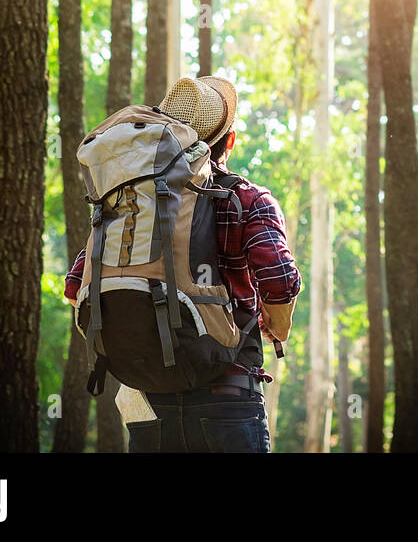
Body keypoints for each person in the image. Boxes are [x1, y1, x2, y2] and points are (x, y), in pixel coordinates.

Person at [65, 74, 301, 452]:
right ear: (230, 141)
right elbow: (280, 279)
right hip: (228, 397)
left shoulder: (128, 204)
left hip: (149, 402)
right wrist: (279, 324)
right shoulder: (247, 199)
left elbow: (75, 286)